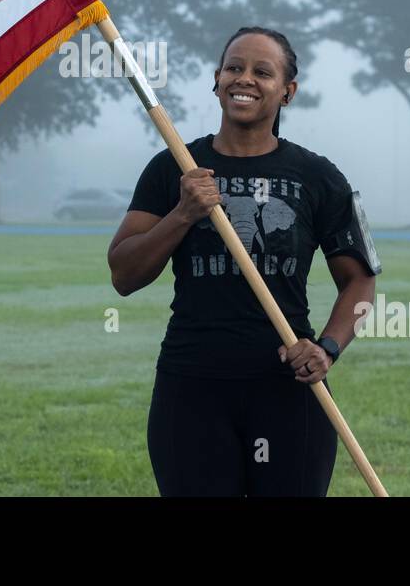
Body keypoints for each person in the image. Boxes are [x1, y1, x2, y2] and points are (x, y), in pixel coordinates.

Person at [107, 26, 381, 496]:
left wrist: (327, 349)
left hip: (289, 391)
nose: (245, 79)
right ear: (216, 80)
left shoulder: (319, 177)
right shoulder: (174, 166)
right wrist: (183, 213)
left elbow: (359, 282)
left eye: (262, 72)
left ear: (288, 91)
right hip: (191, 388)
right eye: (234, 68)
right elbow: (124, 274)